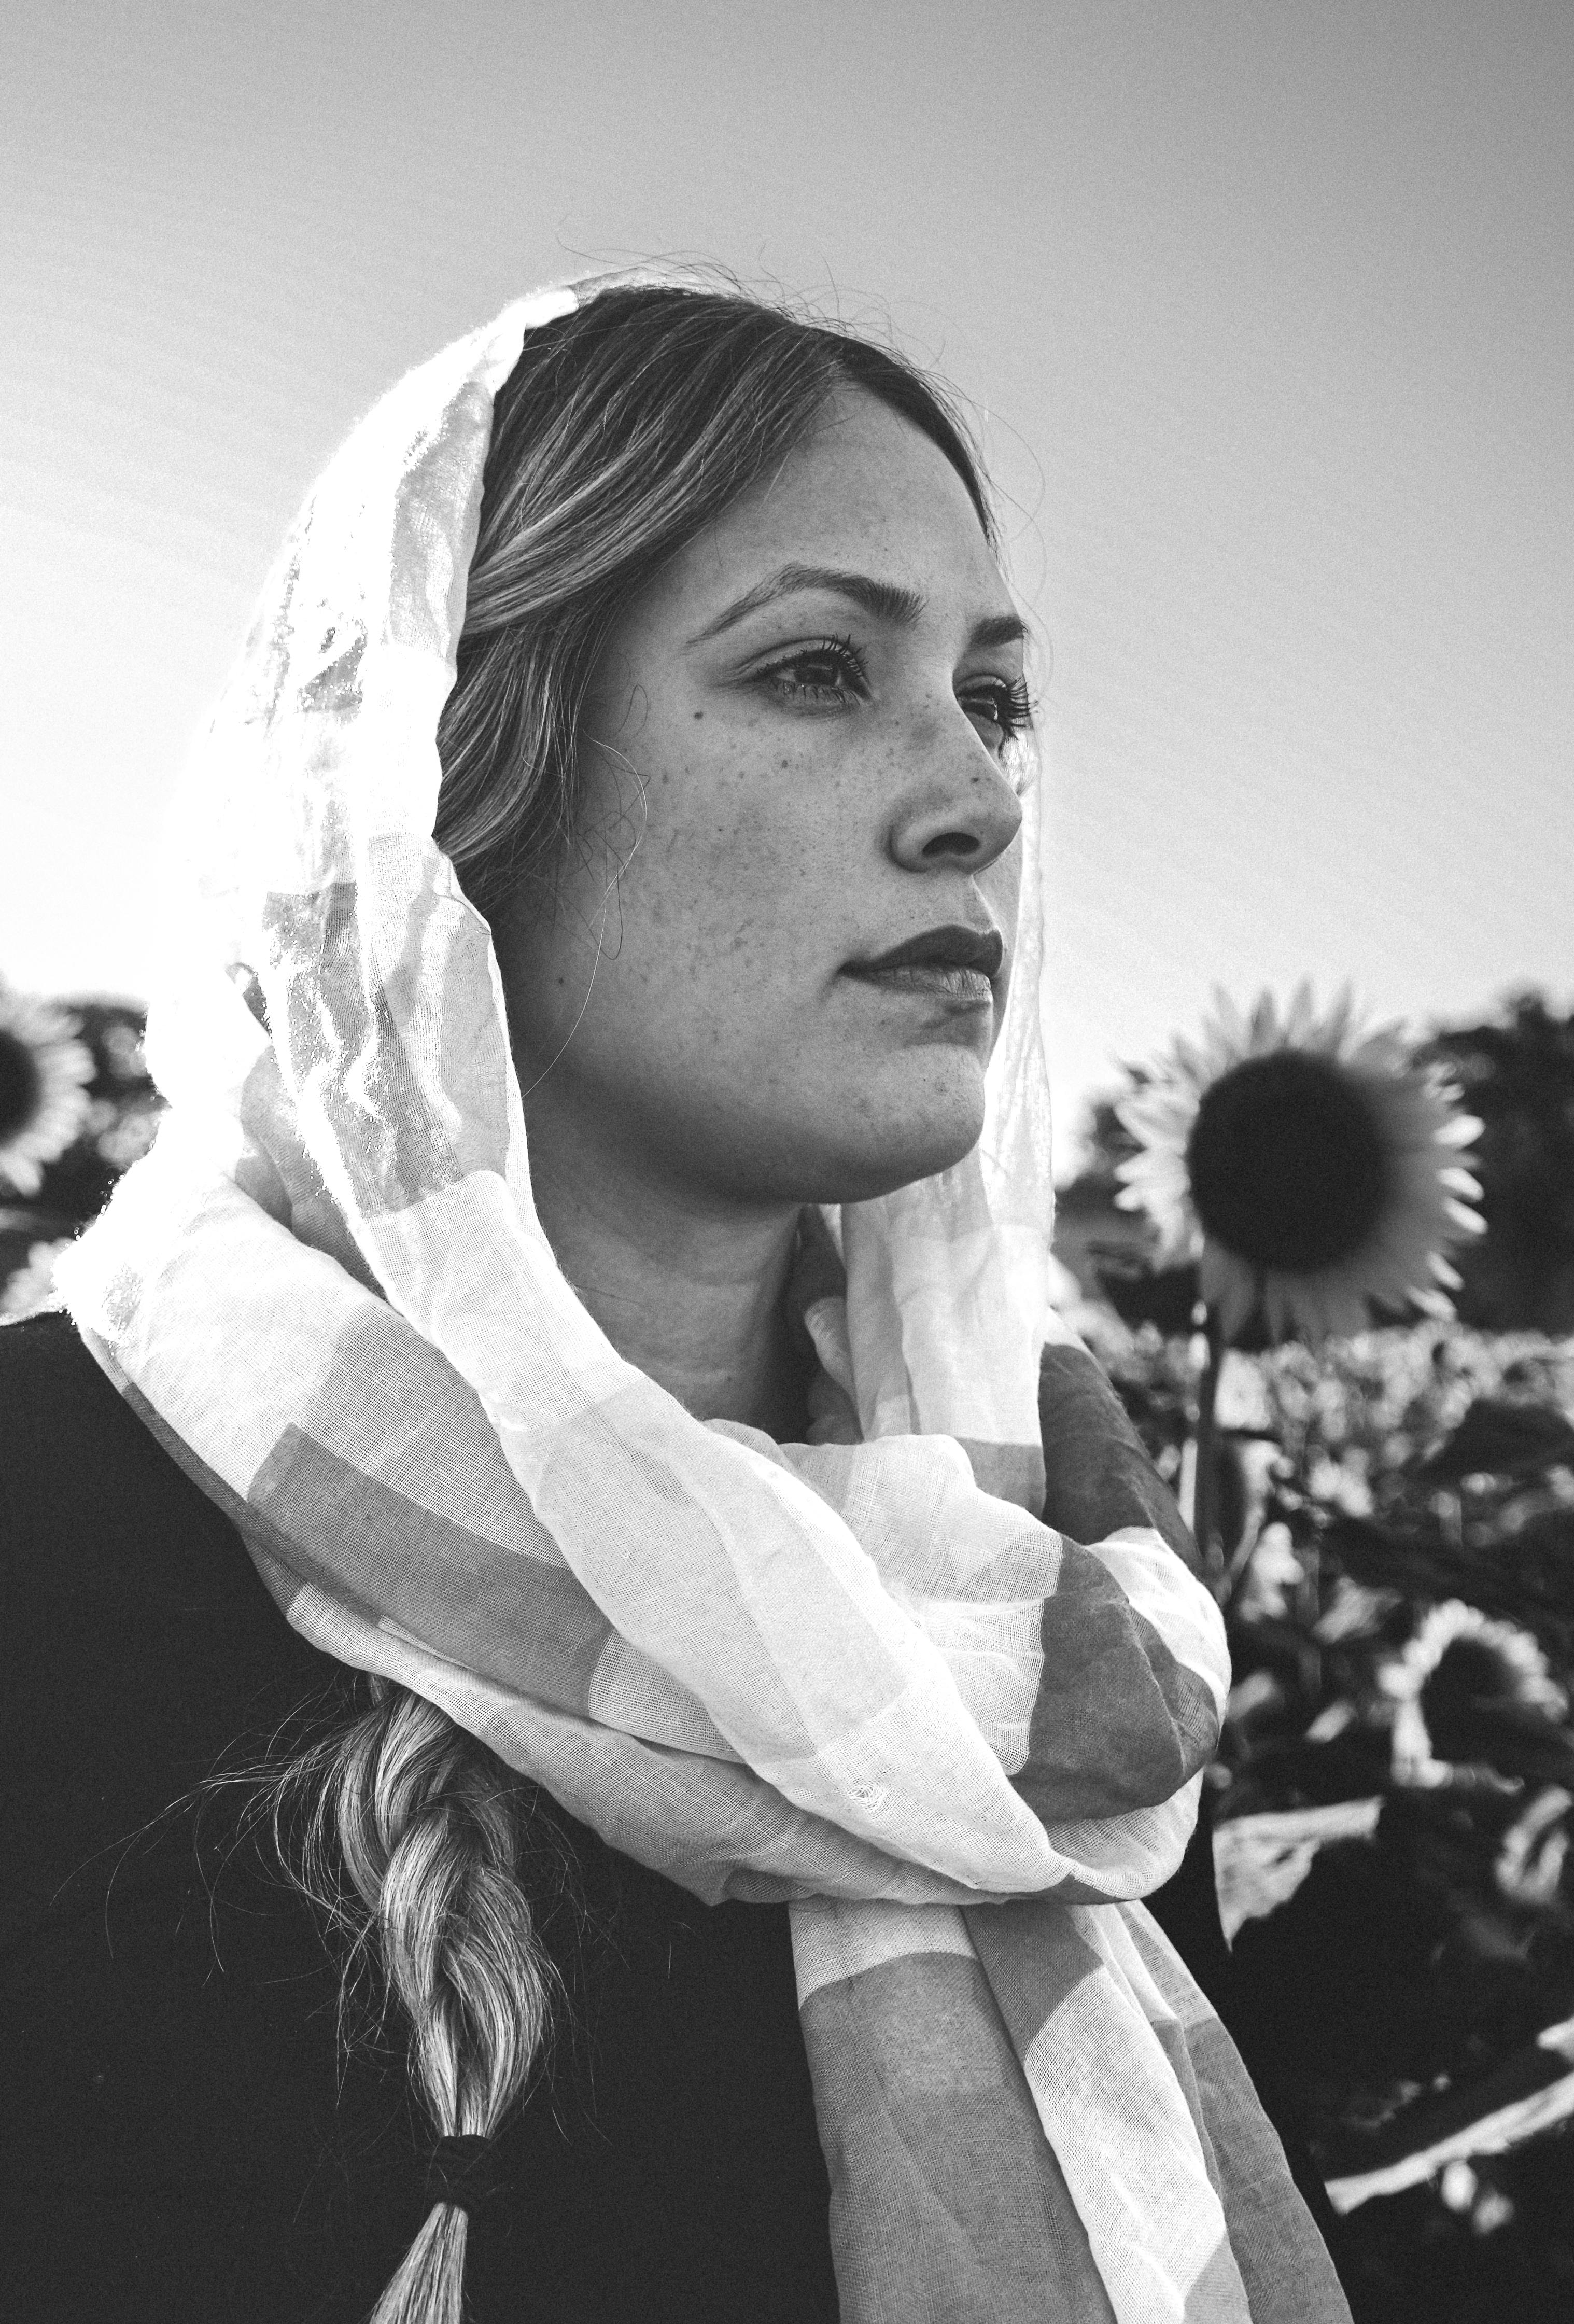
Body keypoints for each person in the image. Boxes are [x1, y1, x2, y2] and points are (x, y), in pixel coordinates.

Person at [2, 274, 1352, 2323]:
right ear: (464, 775)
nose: (978, 799)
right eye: (818, 669)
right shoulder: (45, 1526)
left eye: (995, 699)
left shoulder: (1035, 1627)